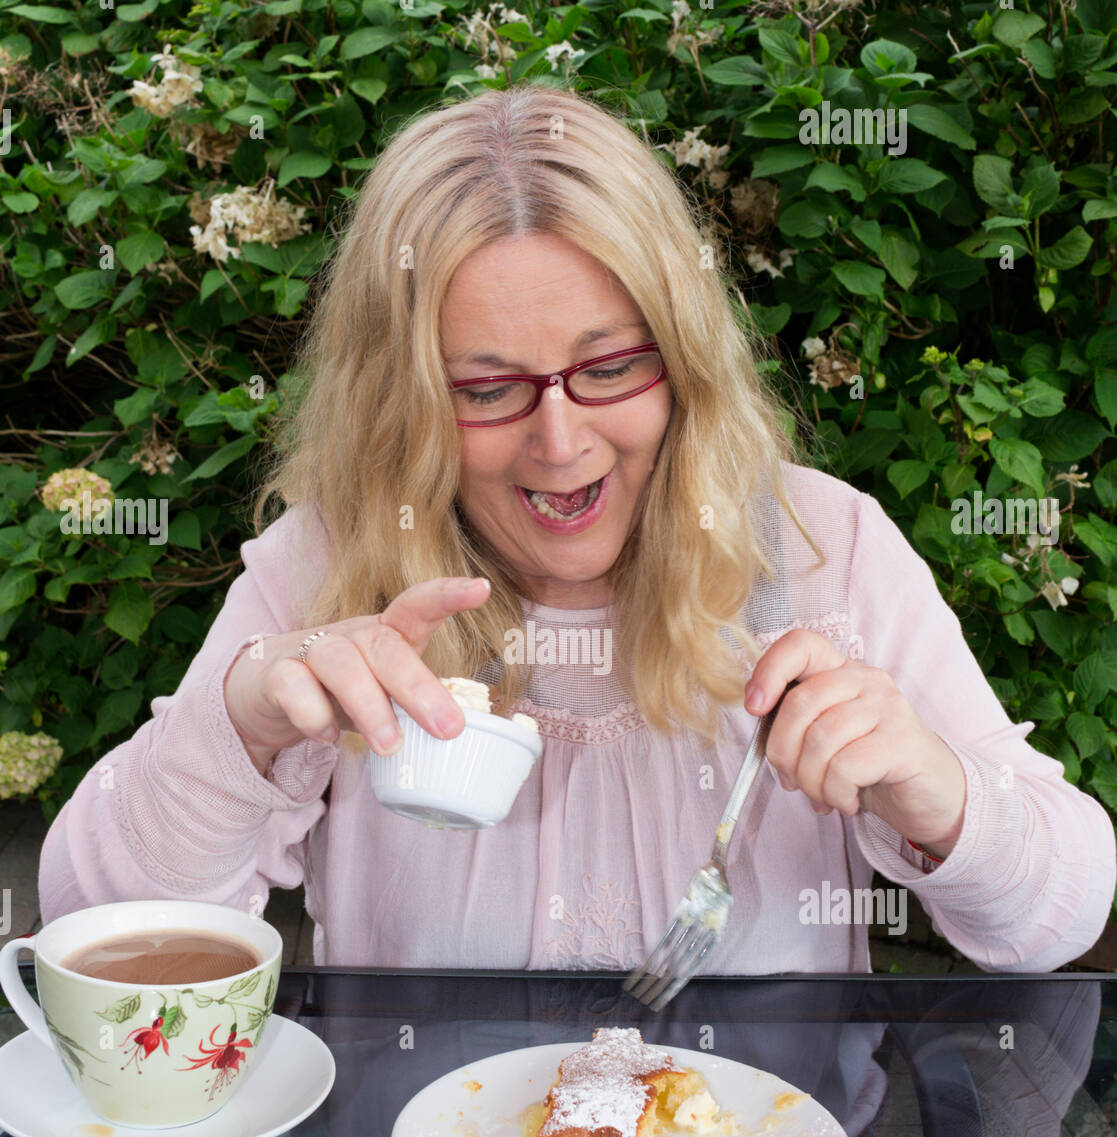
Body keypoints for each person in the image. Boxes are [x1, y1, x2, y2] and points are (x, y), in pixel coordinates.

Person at [39, 84, 1114, 972]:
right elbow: (88, 921)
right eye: (486, 388)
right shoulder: (333, 565)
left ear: (683, 356)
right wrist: (246, 725)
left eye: (608, 367)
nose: (561, 443)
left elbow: (1052, 921)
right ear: (402, 400)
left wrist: (943, 797)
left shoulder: (820, 546)